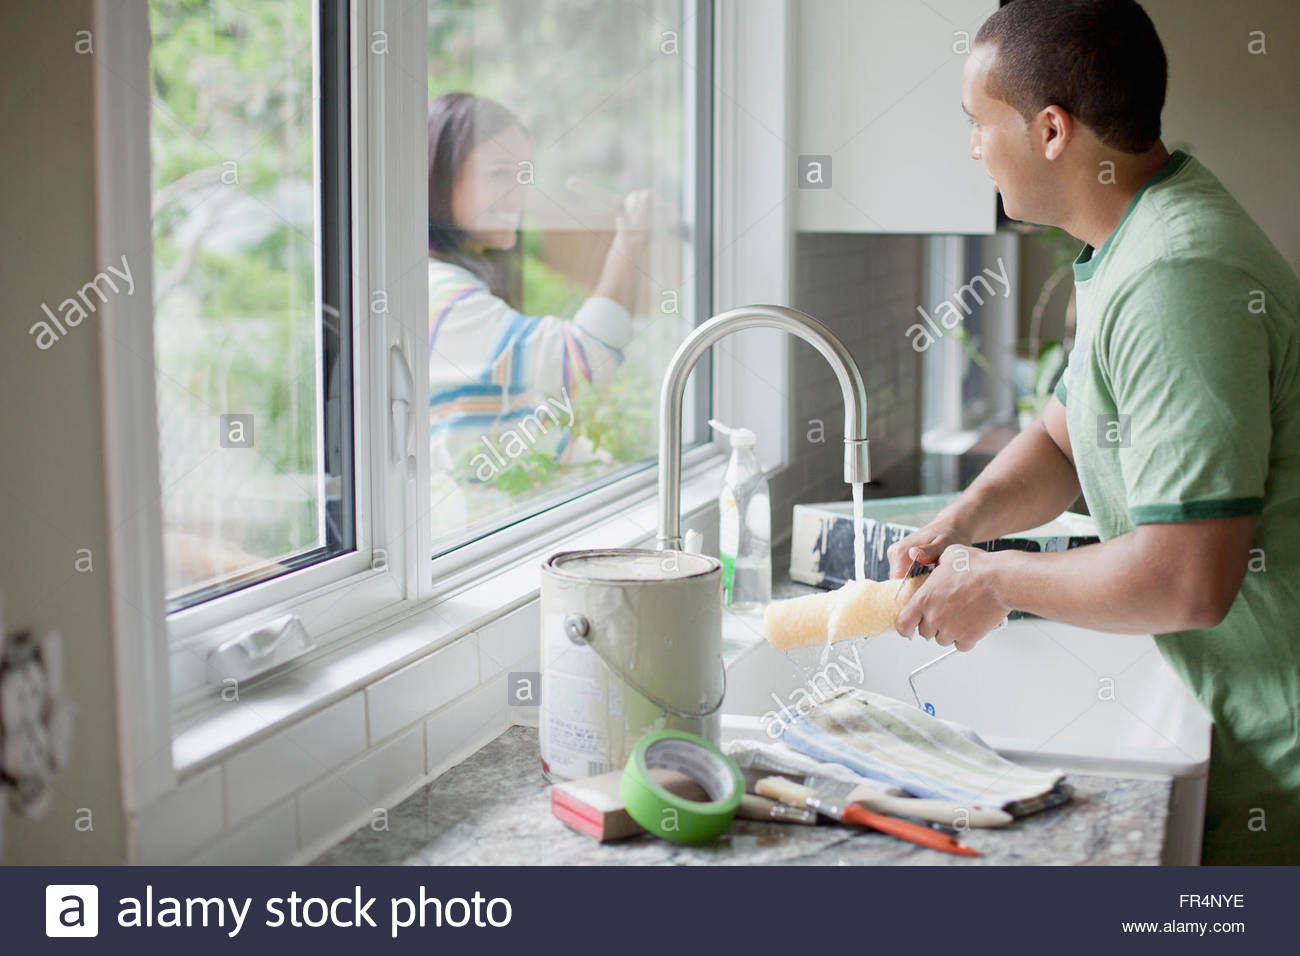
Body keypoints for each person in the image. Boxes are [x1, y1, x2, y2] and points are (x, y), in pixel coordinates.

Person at [887, 0, 1299, 864]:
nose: (971, 147)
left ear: (1048, 131)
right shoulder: (1131, 237)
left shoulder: (1178, 278)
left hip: (1277, 767)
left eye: (977, 123)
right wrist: (961, 524)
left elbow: (1188, 581)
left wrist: (996, 583)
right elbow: (1065, 439)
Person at [426, 92, 657, 475]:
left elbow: (512, 423)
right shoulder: (441, 294)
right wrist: (630, 241)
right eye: (500, 173)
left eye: (523, 175)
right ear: (440, 178)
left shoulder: (452, 284)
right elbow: (583, 364)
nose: (520, 194)